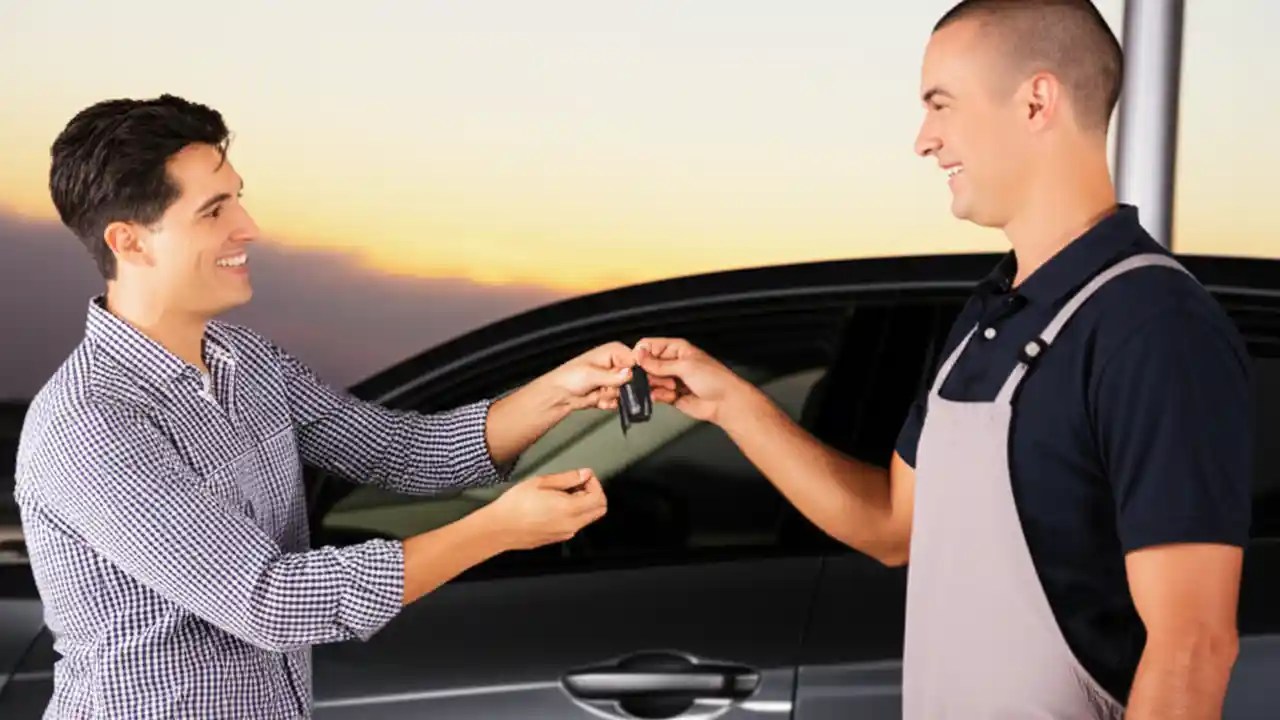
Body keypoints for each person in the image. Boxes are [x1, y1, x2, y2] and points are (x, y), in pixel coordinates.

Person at [633, 1, 1252, 718]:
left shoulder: (1152, 326)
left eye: (941, 104)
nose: (925, 140)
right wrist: (728, 402)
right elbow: (893, 526)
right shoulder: (988, 315)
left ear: (1036, 101)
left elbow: (1194, 644)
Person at [14, 95, 630, 719]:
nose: (246, 226)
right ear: (130, 242)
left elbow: (405, 453)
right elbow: (269, 601)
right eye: (213, 210)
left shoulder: (248, 360)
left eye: (238, 198)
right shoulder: (90, 423)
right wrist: (496, 529)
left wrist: (560, 392)